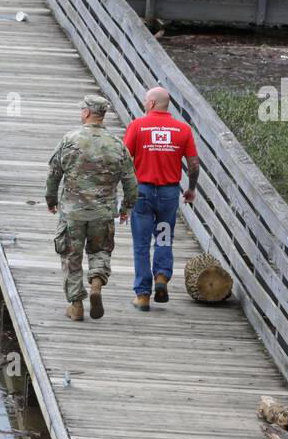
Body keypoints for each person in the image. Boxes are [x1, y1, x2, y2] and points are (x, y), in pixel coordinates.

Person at [45, 94, 137, 321]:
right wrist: (127, 206)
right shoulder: (117, 145)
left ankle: (76, 305)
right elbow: (131, 182)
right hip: (103, 213)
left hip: (73, 213)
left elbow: (54, 175)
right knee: (100, 251)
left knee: (71, 256)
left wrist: (51, 200)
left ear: (87, 113)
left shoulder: (69, 140)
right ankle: (96, 285)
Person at [123, 86, 200, 311]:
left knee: (141, 244)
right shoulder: (183, 129)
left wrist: (125, 191)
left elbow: (124, 159)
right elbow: (194, 164)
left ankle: (143, 295)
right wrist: (191, 188)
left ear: (152, 104)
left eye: (146, 100)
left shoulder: (138, 126)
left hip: (142, 194)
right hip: (168, 195)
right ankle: (162, 278)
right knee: (164, 237)